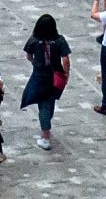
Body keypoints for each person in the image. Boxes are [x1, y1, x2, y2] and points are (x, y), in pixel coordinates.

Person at [21, 13, 71, 151]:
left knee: (43, 104)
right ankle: (47, 125)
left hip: (39, 75)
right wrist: (66, 73)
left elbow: (28, 55)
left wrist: (35, 62)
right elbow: (65, 59)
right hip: (55, 75)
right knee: (50, 100)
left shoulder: (34, 40)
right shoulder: (60, 41)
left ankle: (45, 135)